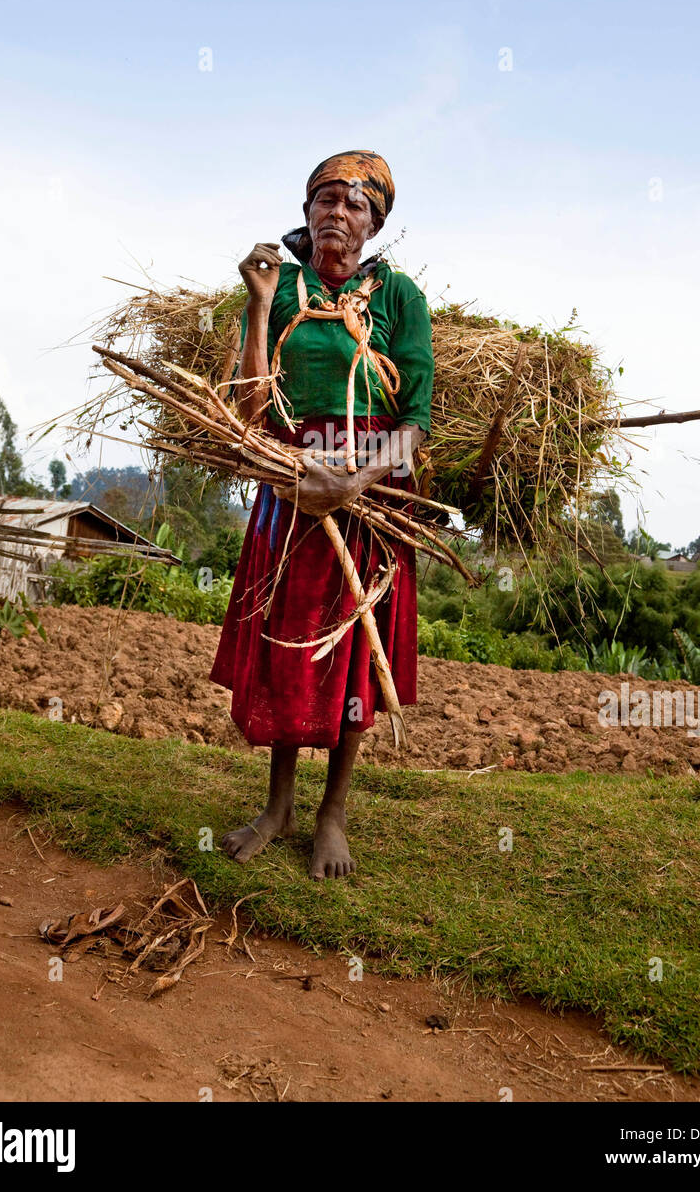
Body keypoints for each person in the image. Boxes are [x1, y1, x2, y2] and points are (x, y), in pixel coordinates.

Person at [211, 151, 433, 880]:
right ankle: (276, 806)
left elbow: (416, 417)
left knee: (353, 651)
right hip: (290, 478)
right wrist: (257, 301)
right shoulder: (283, 285)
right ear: (307, 211)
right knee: (290, 638)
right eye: (326, 200)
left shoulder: (399, 297)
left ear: (374, 224)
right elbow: (249, 408)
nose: (338, 212)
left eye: (355, 204)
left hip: (371, 491)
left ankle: (330, 813)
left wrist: (357, 482)